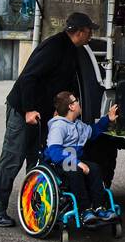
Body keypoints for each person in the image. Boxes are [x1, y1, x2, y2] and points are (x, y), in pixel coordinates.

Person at [0, 11, 96, 228]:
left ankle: (34, 211)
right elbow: (28, 77)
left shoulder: (73, 50)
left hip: (42, 116)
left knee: (36, 160)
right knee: (12, 159)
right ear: (80, 32)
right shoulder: (54, 47)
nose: (90, 36)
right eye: (89, 31)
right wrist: (29, 110)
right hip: (24, 111)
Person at [45, 92, 119, 226]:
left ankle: (99, 207)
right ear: (72, 107)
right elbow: (55, 152)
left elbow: (93, 131)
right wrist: (77, 163)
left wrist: (108, 118)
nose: (79, 102)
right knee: (76, 172)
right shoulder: (58, 126)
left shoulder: (78, 125)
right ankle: (84, 210)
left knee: (95, 168)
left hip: (73, 160)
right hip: (58, 163)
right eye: (76, 101)